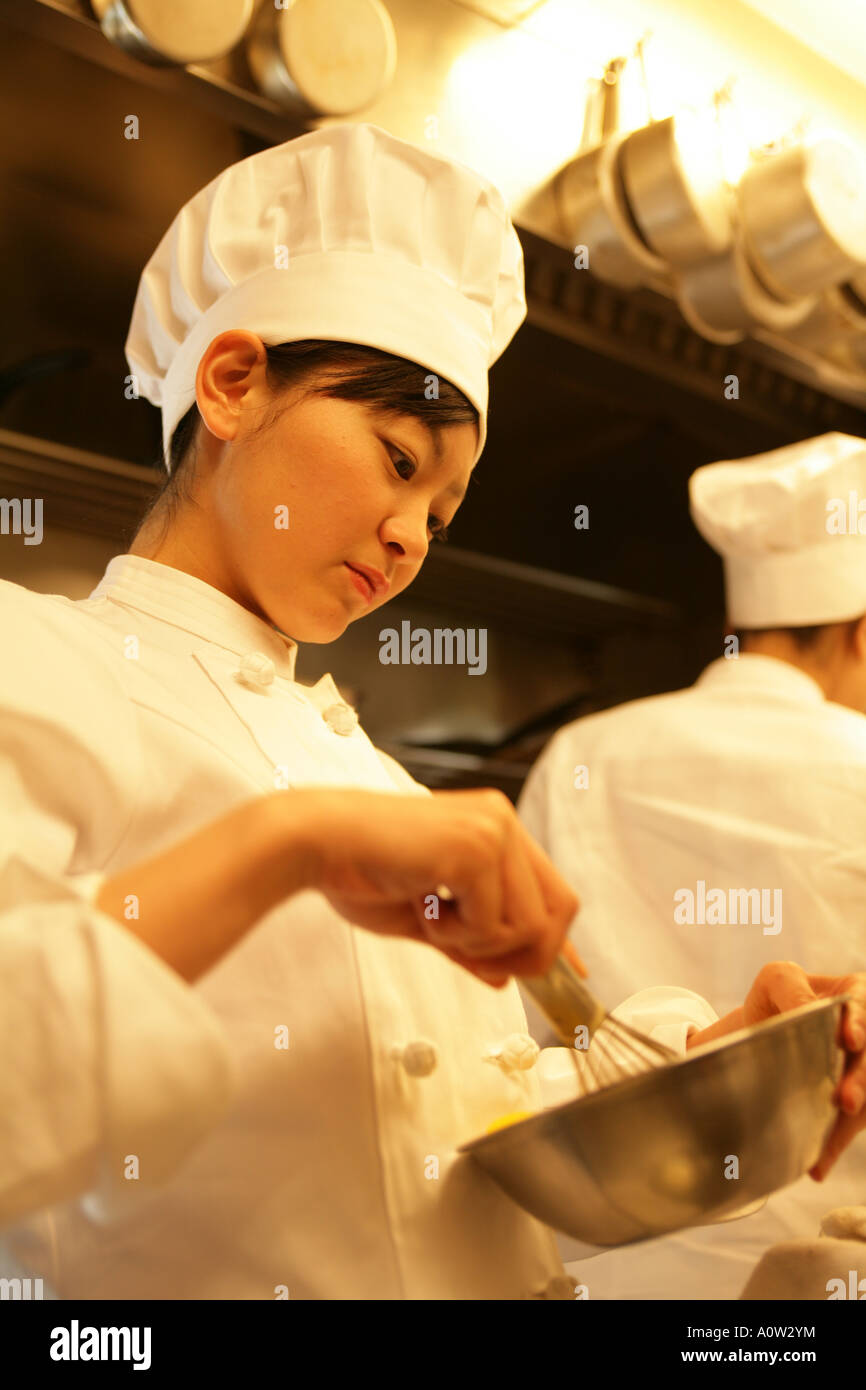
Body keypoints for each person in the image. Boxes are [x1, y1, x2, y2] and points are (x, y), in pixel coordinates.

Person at [1, 124, 863, 1301]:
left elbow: (441, 1139)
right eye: (400, 461)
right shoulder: (41, 658)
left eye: (443, 513)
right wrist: (293, 846)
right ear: (231, 381)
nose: (413, 538)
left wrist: (724, 1071)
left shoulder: (372, 778)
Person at [518, 432, 866, 1299]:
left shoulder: (575, 753)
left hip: (588, 1261)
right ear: (863, 635)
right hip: (818, 1273)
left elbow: (516, 1025)